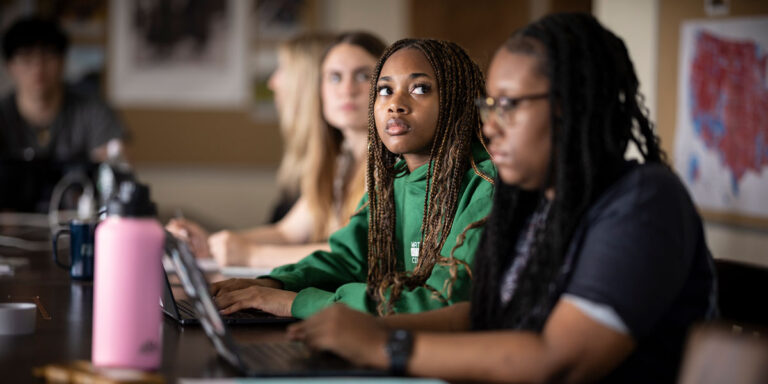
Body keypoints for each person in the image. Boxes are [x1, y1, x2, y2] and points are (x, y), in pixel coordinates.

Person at [286, 13, 718, 383]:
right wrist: (352, 326)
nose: (490, 126)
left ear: (569, 105)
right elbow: (476, 315)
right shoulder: (536, 203)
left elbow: (561, 362)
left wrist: (386, 347)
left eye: (509, 105)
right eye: (490, 105)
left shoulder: (640, 202)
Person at [210, 39, 496, 319]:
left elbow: (441, 304)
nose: (395, 104)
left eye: (420, 88)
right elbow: (348, 260)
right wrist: (272, 284)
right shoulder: (391, 181)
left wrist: (298, 302)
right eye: (385, 90)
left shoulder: (486, 185)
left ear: (459, 101)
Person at [167, 32, 387, 268]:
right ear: (319, 88)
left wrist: (251, 255)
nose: (347, 89)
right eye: (335, 77)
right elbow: (287, 233)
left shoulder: (390, 165)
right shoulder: (339, 162)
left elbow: (357, 252)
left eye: (363, 76)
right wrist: (207, 244)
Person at [0, 16, 124, 164]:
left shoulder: (93, 112)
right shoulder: (3, 115)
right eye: (27, 58)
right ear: (10, 65)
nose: (38, 68)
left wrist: (115, 160)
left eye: (48, 56)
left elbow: (117, 161)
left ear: (63, 60)